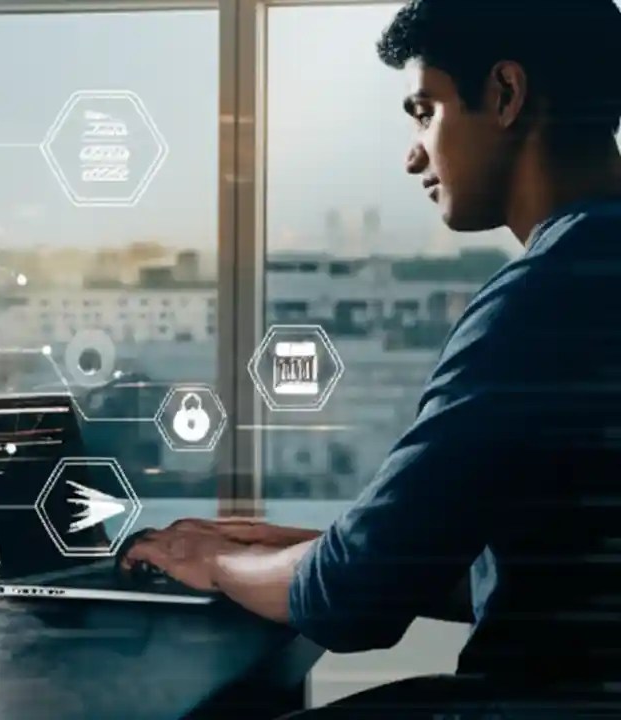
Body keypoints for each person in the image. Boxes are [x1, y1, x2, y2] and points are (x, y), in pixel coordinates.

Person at [122, 0, 621, 715]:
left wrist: (218, 562)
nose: (413, 153)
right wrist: (311, 547)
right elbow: (559, 574)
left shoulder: (543, 303)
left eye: (425, 111)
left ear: (506, 95)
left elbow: (352, 604)